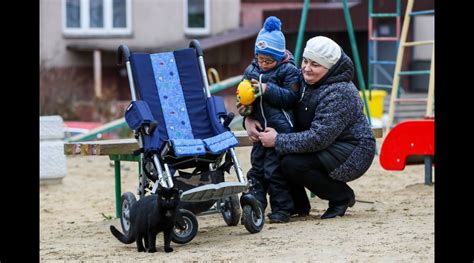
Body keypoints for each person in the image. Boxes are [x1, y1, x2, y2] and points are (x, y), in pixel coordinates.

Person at [247, 36, 376, 219]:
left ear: (329, 68)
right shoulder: (301, 79)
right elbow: (270, 99)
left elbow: (319, 138)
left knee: (293, 162)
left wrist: (277, 139)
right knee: (283, 155)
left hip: (351, 150)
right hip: (325, 142)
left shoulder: (340, 92)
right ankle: (298, 205)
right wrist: (249, 118)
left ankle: (341, 197)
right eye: (305, 61)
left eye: (315, 64)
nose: (306, 68)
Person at [237, 16, 301, 223]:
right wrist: (246, 113)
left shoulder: (288, 70)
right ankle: (255, 204)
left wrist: (267, 89)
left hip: (280, 129)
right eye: (260, 59)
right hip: (259, 130)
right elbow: (243, 97)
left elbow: (291, 98)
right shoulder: (252, 70)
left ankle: (282, 209)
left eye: (268, 60)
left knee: (274, 172)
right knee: (256, 170)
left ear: (279, 56)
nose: (263, 64)